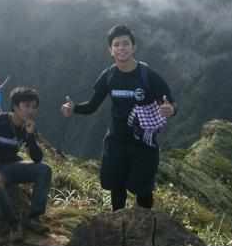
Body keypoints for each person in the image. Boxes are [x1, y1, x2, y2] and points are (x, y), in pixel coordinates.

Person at [61, 24, 176, 211]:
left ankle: (145, 228)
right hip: (116, 141)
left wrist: (170, 109)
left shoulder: (148, 75)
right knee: (116, 186)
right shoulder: (108, 76)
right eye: (116, 45)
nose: (121, 48)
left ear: (134, 47)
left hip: (143, 144)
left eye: (125, 44)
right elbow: (91, 106)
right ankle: (119, 225)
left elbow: (170, 102)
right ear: (110, 50)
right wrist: (73, 109)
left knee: (143, 190)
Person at [0, 86, 52, 241]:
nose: (31, 111)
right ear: (15, 106)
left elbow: (37, 158)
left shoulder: (26, 128)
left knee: (44, 170)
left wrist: (30, 136)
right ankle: (14, 225)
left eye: (34, 107)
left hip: (11, 167)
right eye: (26, 106)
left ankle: (33, 218)